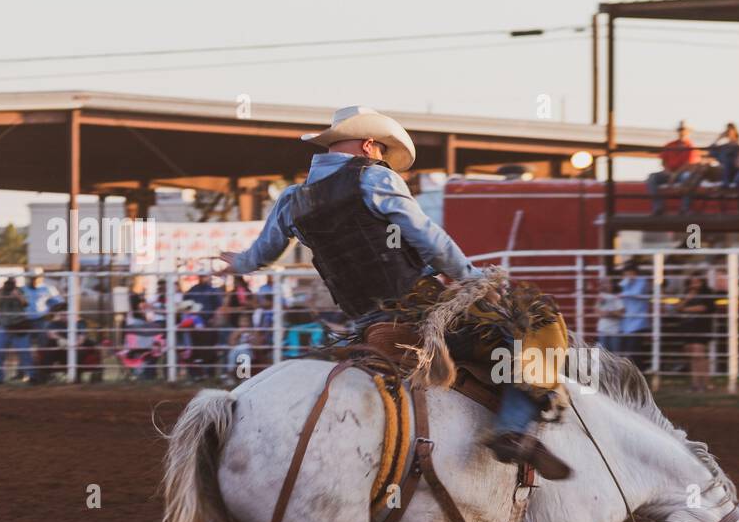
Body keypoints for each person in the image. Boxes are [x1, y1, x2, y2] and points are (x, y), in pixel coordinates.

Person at [218, 104, 569, 479]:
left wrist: (238, 262)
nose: (383, 158)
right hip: (418, 309)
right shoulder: (374, 179)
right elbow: (429, 238)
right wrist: (472, 279)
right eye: (382, 151)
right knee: (538, 316)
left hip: (364, 322)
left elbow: (260, 255)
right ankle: (514, 427)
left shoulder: (292, 200)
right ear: (370, 145)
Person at [646, 122, 702, 215]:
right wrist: (669, 173)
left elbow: (688, 164)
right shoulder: (670, 145)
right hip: (669, 173)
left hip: (681, 174)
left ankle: (685, 208)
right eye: (680, 130)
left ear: (688, 132)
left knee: (687, 177)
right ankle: (658, 207)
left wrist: (674, 175)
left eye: (684, 130)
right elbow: (663, 161)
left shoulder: (691, 146)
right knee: (652, 178)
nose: (682, 132)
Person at [675, 271, 716, 392]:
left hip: (701, 327)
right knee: (693, 356)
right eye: (692, 281)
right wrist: (688, 298)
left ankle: (706, 383)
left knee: (699, 355)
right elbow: (678, 308)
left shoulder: (707, 293)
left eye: (697, 281)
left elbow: (703, 308)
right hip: (688, 327)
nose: (694, 284)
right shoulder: (687, 293)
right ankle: (695, 384)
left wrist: (686, 308)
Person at [0, 277, 32, 383]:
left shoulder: (20, 290)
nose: (9, 286)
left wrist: (17, 296)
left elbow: (26, 304)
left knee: (24, 352)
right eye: (7, 284)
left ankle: (31, 375)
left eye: (11, 284)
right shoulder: (1, 291)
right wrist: (5, 296)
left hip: (19, 324)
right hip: (4, 324)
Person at [617, 259, 651, 369]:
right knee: (628, 349)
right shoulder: (625, 282)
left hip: (638, 322)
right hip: (626, 322)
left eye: (629, 272)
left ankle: (639, 372)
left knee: (634, 349)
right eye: (626, 273)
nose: (627, 275)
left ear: (635, 272)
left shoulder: (642, 281)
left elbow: (636, 293)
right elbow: (620, 291)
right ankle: (634, 373)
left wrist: (623, 293)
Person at [596, 277, 625, 354]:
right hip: (603, 329)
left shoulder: (617, 297)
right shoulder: (601, 296)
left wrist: (608, 313)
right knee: (603, 355)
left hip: (615, 330)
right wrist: (612, 313)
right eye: (605, 283)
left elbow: (621, 313)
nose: (607, 285)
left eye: (609, 283)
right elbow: (597, 311)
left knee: (615, 355)